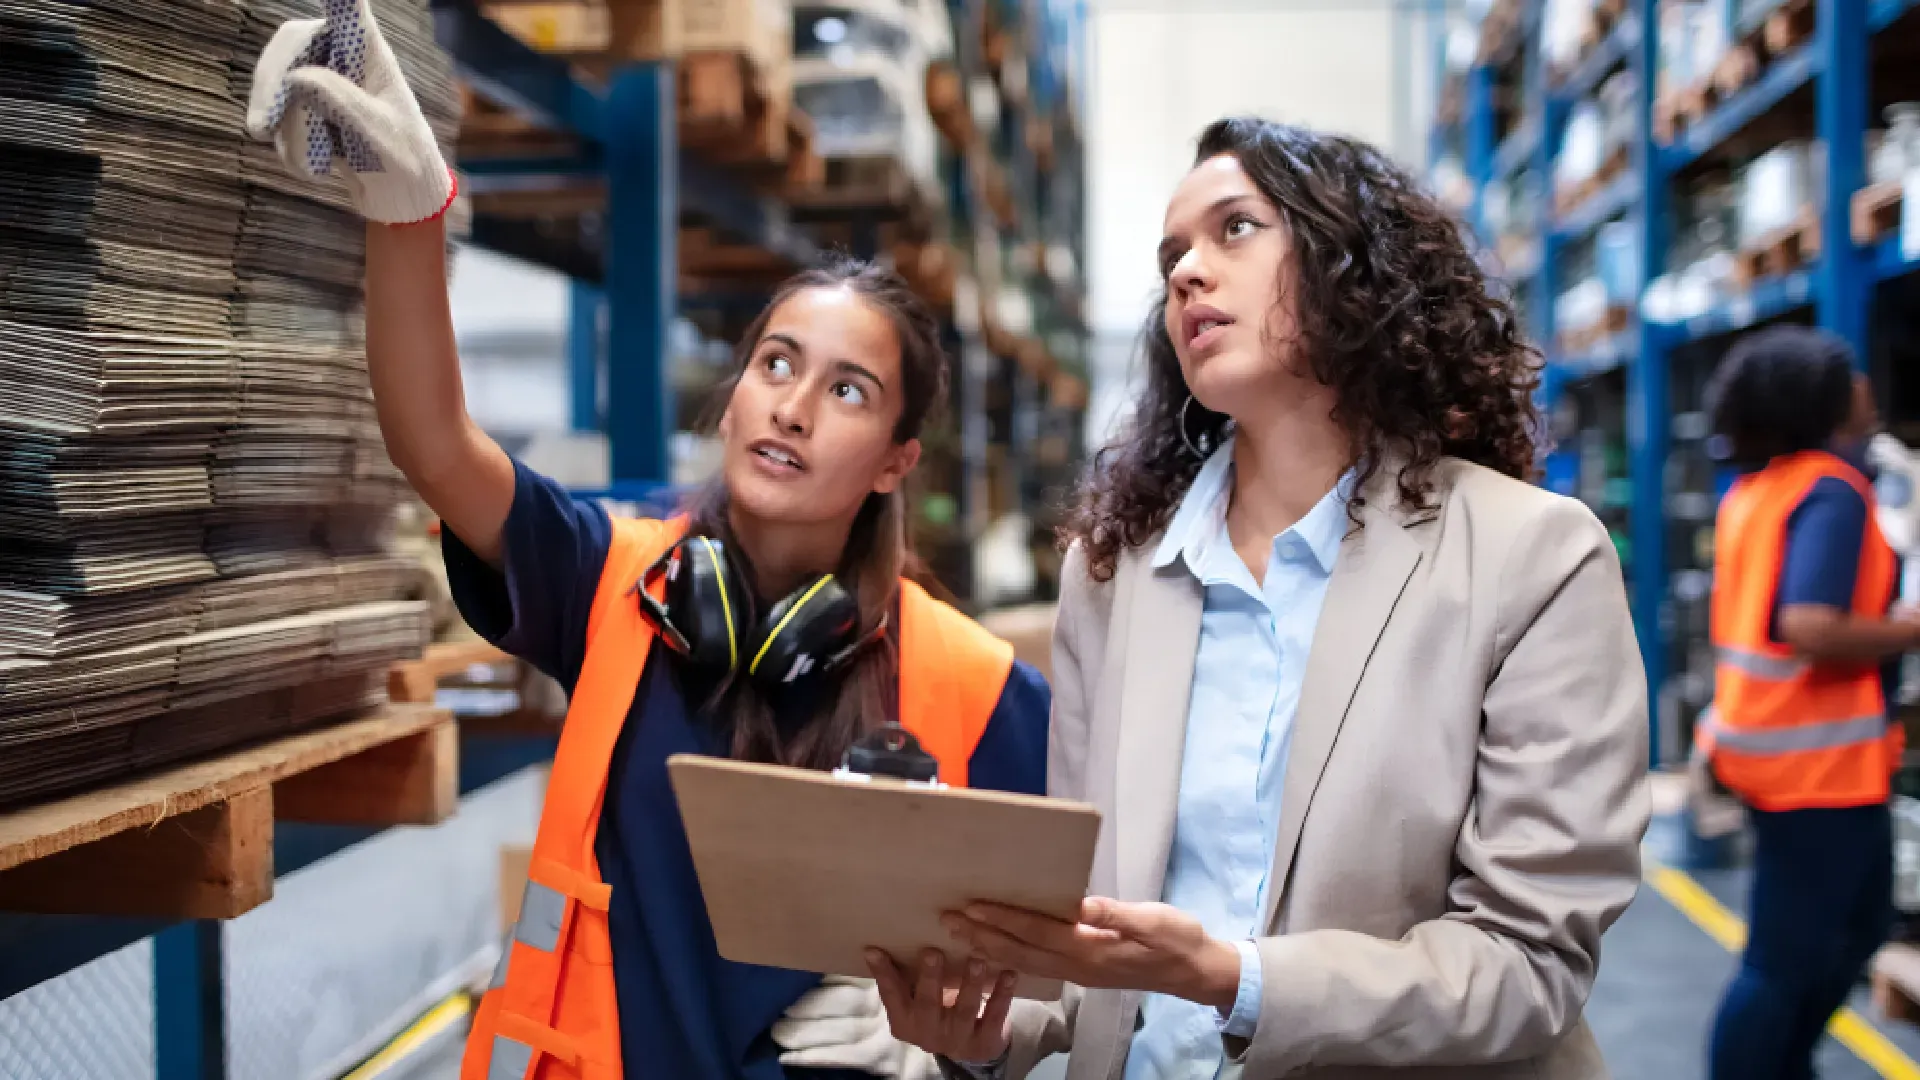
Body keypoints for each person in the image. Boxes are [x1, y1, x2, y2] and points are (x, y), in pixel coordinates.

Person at [243, 6, 1051, 1080]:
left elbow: (1086, 953)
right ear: (733, 395)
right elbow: (435, 446)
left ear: (897, 462)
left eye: (848, 390)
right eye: (775, 364)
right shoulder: (615, 584)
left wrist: (962, 1050)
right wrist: (411, 219)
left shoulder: (975, 687)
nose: (793, 407)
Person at [868, 117, 1652, 1079]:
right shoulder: (1113, 576)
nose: (1189, 273)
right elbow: (1084, 955)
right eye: (1172, 257)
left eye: (1234, 228)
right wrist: (988, 1037)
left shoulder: (1530, 556)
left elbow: (1527, 964)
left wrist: (1233, 980)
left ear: (1349, 264)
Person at [1696, 325, 1910, 1080]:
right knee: (1785, 960)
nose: (1864, 384)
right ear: (1820, 399)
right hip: (1817, 767)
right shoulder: (1830, 488)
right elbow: (1810, 625)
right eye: (1849, 374)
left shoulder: (1760, 489)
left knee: (1856, 928)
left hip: (1773, 745)